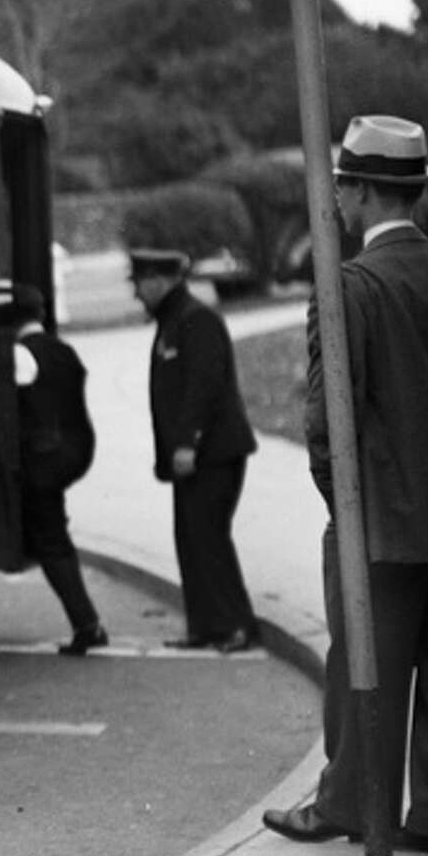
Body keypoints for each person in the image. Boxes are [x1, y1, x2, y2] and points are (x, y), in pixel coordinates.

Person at [262, 116, 428, 856]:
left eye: (342, 185)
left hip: (379, 512)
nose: (336, 197)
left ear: (360, 192)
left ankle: (352, 805)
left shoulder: (349, 288)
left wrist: (345, 505)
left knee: (366, 663)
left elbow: (326, 421)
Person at [130, 246, 260, 653]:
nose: (136, 293)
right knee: (191, 539)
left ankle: (237, 625)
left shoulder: (196, 320)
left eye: (140, 283)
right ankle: (205, 626)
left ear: (159, 281)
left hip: (213, 453)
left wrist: (188, 442)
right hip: (194, 457)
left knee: (209, 538)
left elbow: (204, 386)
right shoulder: (174, 321)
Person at [12, 284, 106, 655]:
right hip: (75, 452)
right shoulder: (64, 350)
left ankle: (87, 625)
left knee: (51, 543)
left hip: (42, 460)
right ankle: (87, 623)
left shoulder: (20, 354)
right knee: (54, 537)